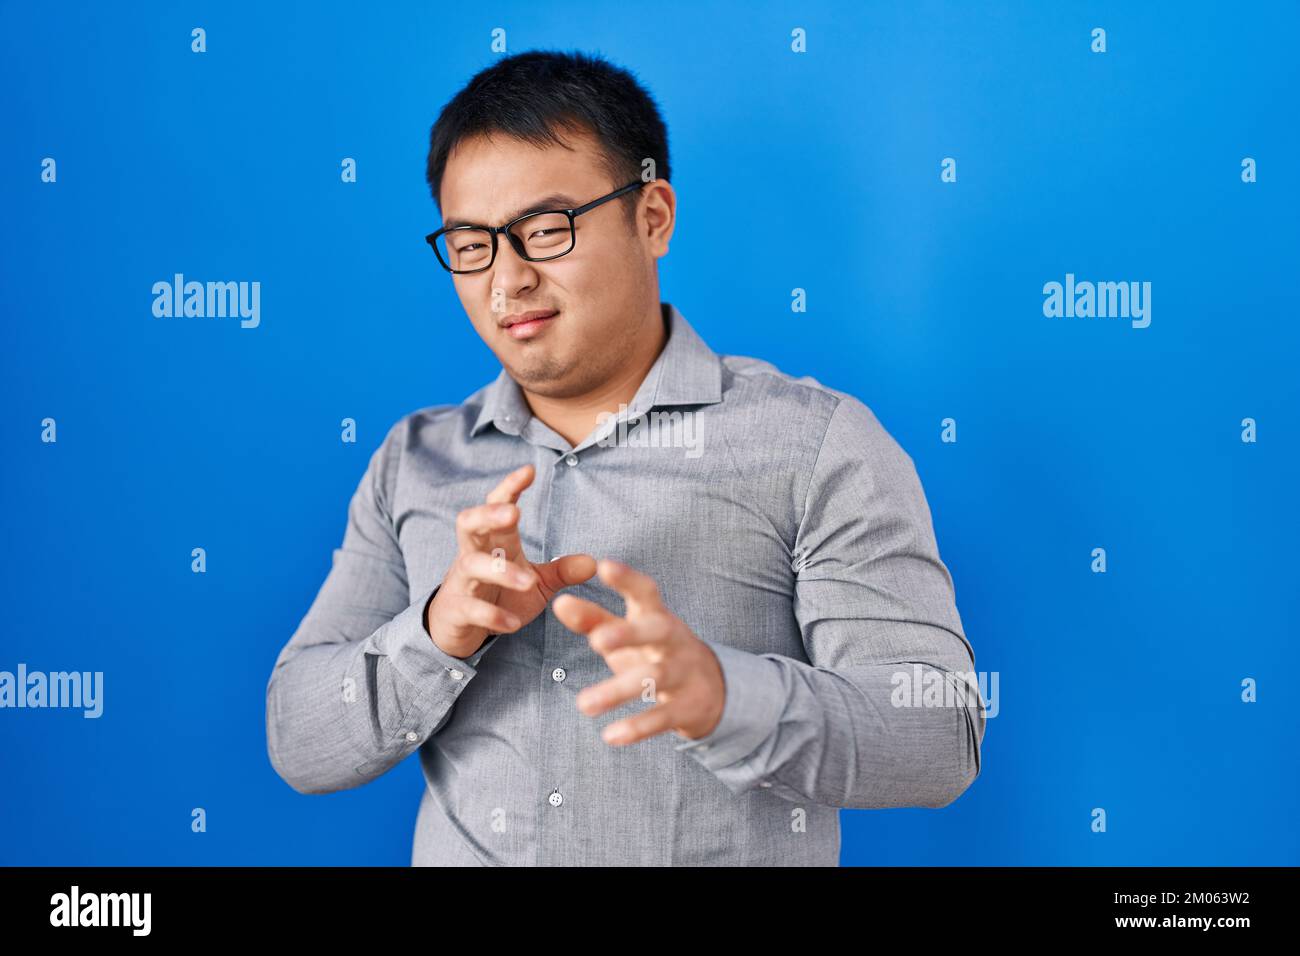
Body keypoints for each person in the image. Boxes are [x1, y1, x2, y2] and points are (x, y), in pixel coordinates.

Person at [265, 49, 984, 866]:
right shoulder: (414, 460)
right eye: (472, 245)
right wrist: (436, 633)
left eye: (544, 230)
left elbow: (939, 733)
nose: (508, 280)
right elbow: (299, 738)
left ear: (653, 216)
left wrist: (724, 696)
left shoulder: (814, 444)